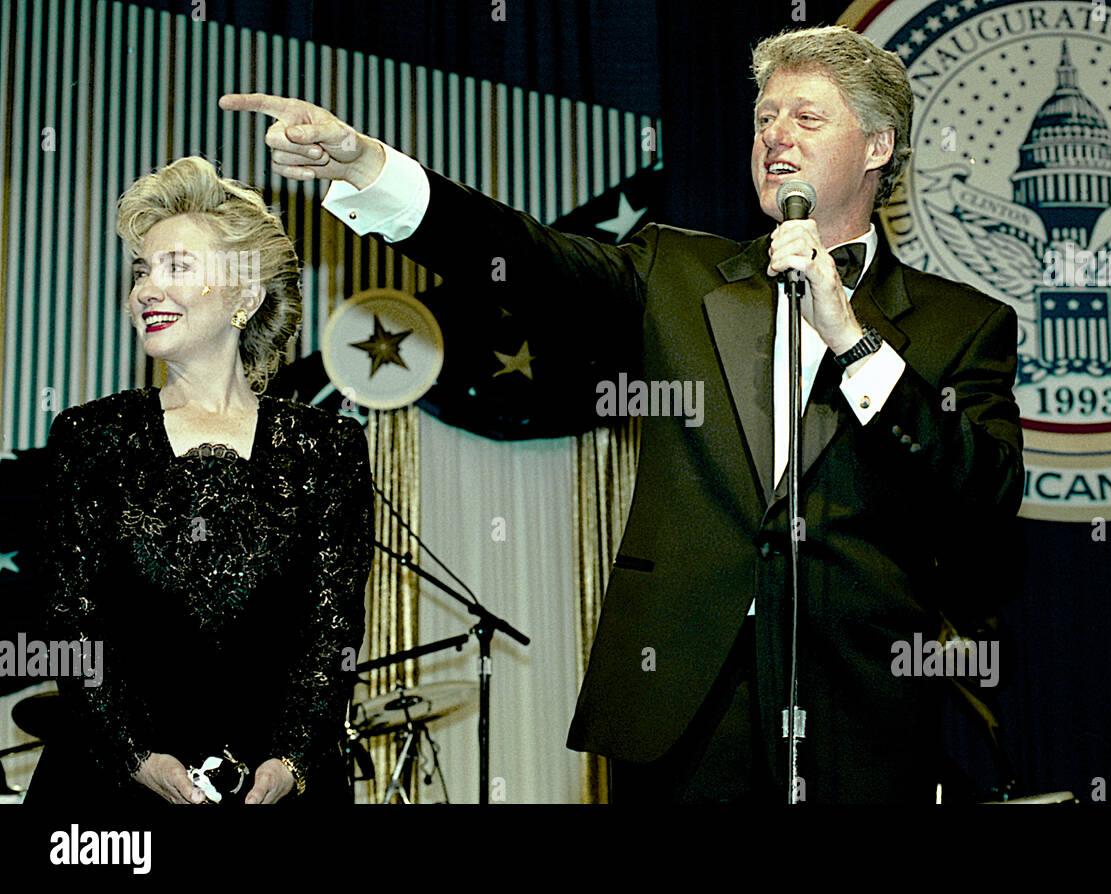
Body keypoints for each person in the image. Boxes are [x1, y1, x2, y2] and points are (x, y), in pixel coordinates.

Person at [222, 24, 1023, 803]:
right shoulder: (677, 273)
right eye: (763, 119)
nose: (776, 137)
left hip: (861, 722)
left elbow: (980, 494)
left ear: (879, 147)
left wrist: (849, 335)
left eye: (807, 118)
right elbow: (524, 256)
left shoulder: (963, 323)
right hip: (678, 711)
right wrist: (370, 168)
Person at [28, 156, 374, 805]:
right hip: (107, 783)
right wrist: (132, 756)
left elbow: (333, 632)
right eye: (140, 272)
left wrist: (292, 761)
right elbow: (67, 621)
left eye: (175, 267)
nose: (144, 291)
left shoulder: (329, 448)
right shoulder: (91, 437)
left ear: (245, 295)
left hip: (274, 785)